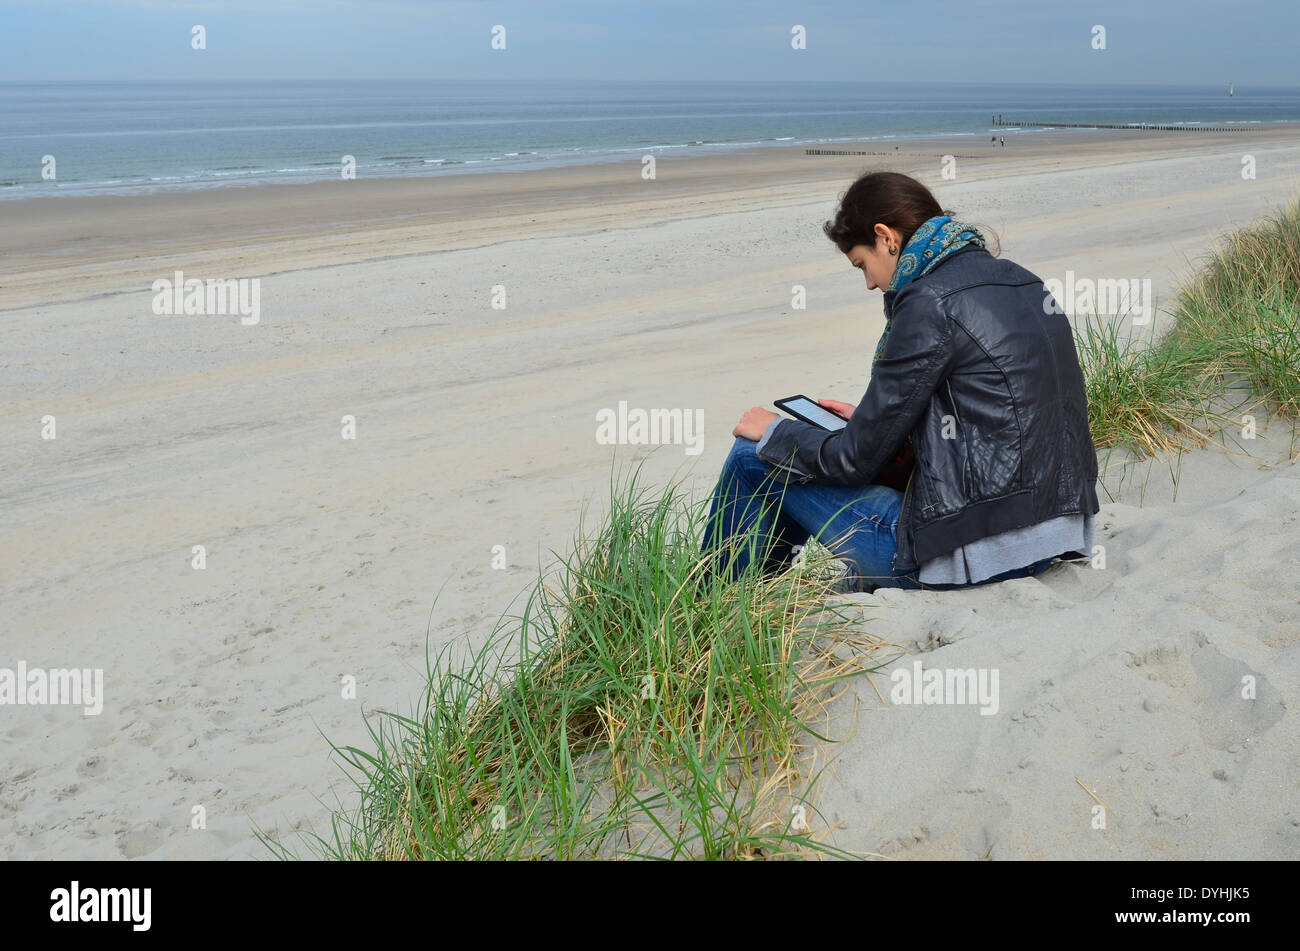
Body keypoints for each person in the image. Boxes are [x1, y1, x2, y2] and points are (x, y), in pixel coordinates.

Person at [700, 171, 1099, 592]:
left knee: (753, 456)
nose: (870, 282)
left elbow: (851, 462)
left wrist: (777, 432)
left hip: (973, 555)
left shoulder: (927, 302)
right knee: (791, 450)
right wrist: (874, 422)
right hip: (1053, 536)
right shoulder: (1022, 280)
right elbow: (990, 417)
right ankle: (757, 599)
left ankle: (717, 608)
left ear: (886, 237)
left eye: (862, 264)